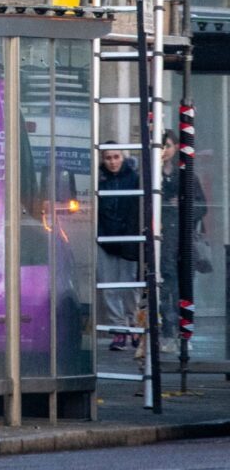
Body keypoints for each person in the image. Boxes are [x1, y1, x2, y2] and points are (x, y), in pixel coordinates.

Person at [159, 128, 207, 354]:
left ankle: (184, 333)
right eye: (160, 147)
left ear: (176, 147)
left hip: (183, 240)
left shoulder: (186, 174)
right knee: (165, 287)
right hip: (162, 240)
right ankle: (167, 332)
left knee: (183, 286)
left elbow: (202, 206)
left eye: (167, 146)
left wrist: (184, 205)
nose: (164, 151)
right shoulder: (153, 175)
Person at [97, 147, 141, 351]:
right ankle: (118, 329)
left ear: (123, 158)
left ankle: (134, 324)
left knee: (130, 286)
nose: (113, 162)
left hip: (129, 239)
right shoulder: (99, 180)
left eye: (116, 157)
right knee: (109, 287)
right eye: (108, 158)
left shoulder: (134, 178)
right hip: (106, 238)